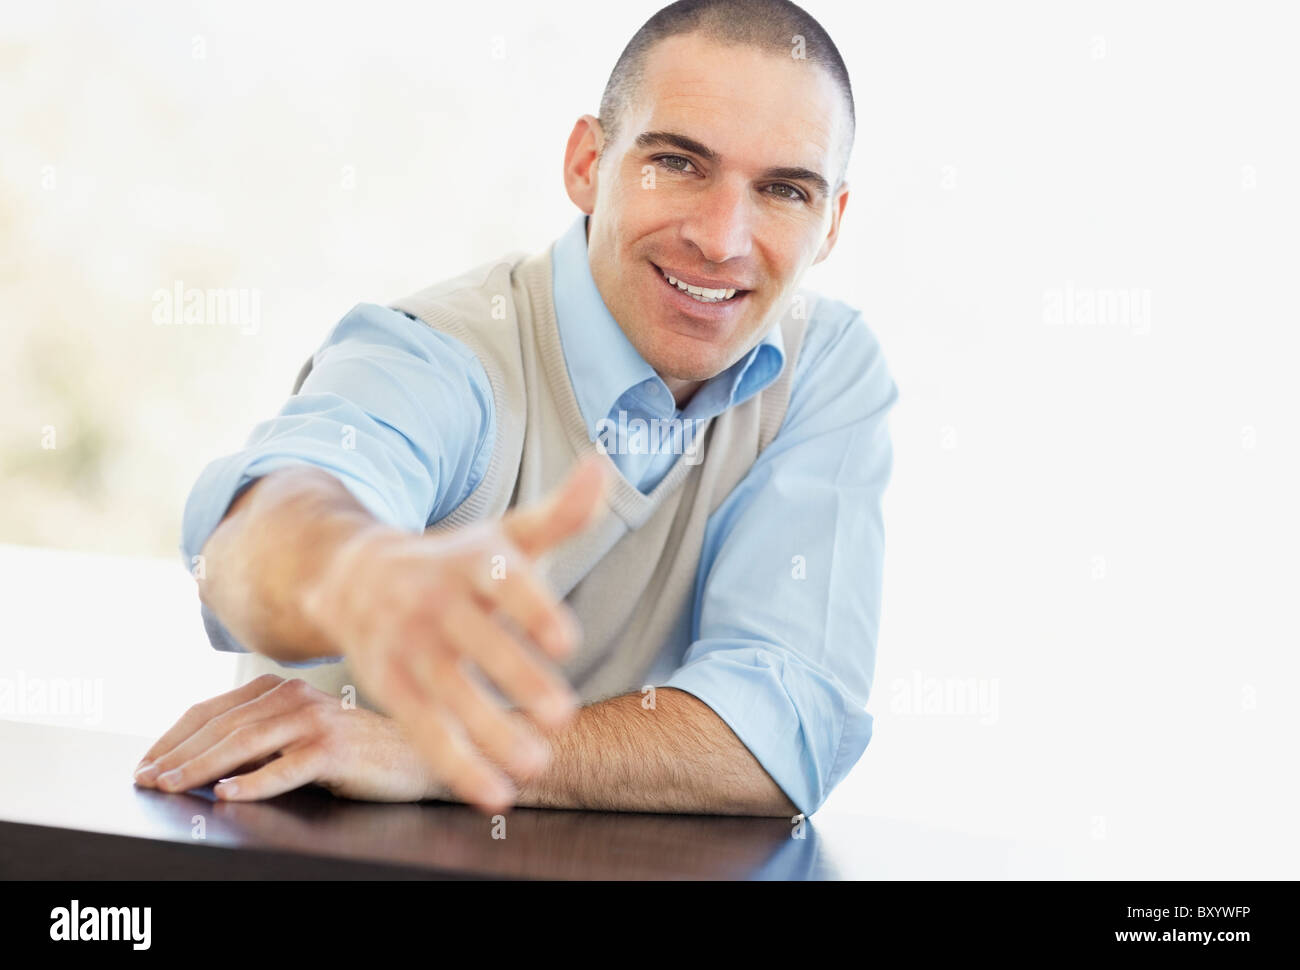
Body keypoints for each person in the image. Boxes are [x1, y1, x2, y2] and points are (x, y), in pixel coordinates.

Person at [133, 0, 898, 819]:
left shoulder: (826, 366)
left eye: (784, 189)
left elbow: (783, 728)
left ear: (830, 225)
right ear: (587, 164)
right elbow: (262, 530)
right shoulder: (442, 353)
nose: (721, 239)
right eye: (678, 163)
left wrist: (441, 752)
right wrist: (347, 573)